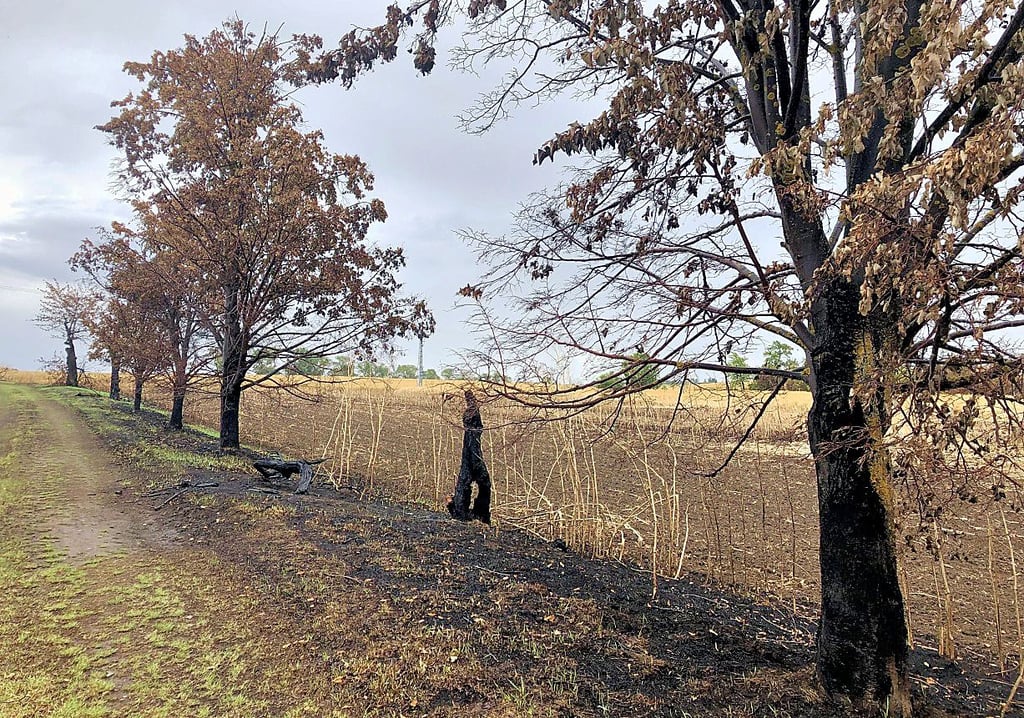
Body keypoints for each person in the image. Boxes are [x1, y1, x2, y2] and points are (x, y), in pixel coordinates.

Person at [447, 390, 491, 523]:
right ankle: (460, 511)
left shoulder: (472, 428)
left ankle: (461, 511)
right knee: (477, 483)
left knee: (471, 482)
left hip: (471, 457)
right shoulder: (474, 428)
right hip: (472, 456)